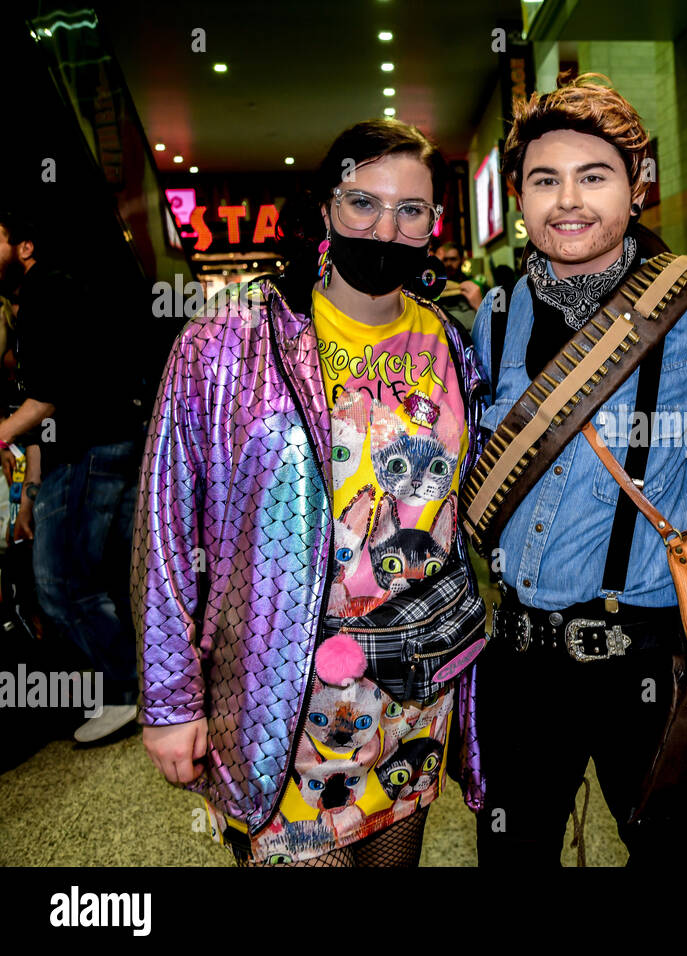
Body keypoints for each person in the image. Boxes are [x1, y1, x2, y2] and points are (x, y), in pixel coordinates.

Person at [134, 119, 489, 866]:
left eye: (412, 211)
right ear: (327, 208)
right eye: (364, 203)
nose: (387, 228)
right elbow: (165, 523)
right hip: (280, 695)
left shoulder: (450, 344)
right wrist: (170, 701)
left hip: (413, 694)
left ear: (434, 224)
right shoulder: (229, 340)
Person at [468, 74, 687, 866]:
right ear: (520, 199)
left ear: (634, 190)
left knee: (667, 853)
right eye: (545, 180)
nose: (569, 201)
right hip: (519, 661)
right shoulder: (491, 323)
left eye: (594, 177)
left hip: (647, 663)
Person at [0, 210, 145, 743]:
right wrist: (30, 498)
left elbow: (47, 398)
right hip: (100, 446)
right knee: (123, 579)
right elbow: (45, 411)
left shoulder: (48, 291)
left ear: (26, 246)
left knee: (61, 586)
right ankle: (156, 686)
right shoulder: (44, 295)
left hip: (91, 447)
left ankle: (127, 691)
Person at [434, 241, 483, 332]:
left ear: (462, 260)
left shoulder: (475, 286)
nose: (448, 264)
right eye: (445, 260)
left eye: (453, 259)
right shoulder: (433, 289)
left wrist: (479, 305)